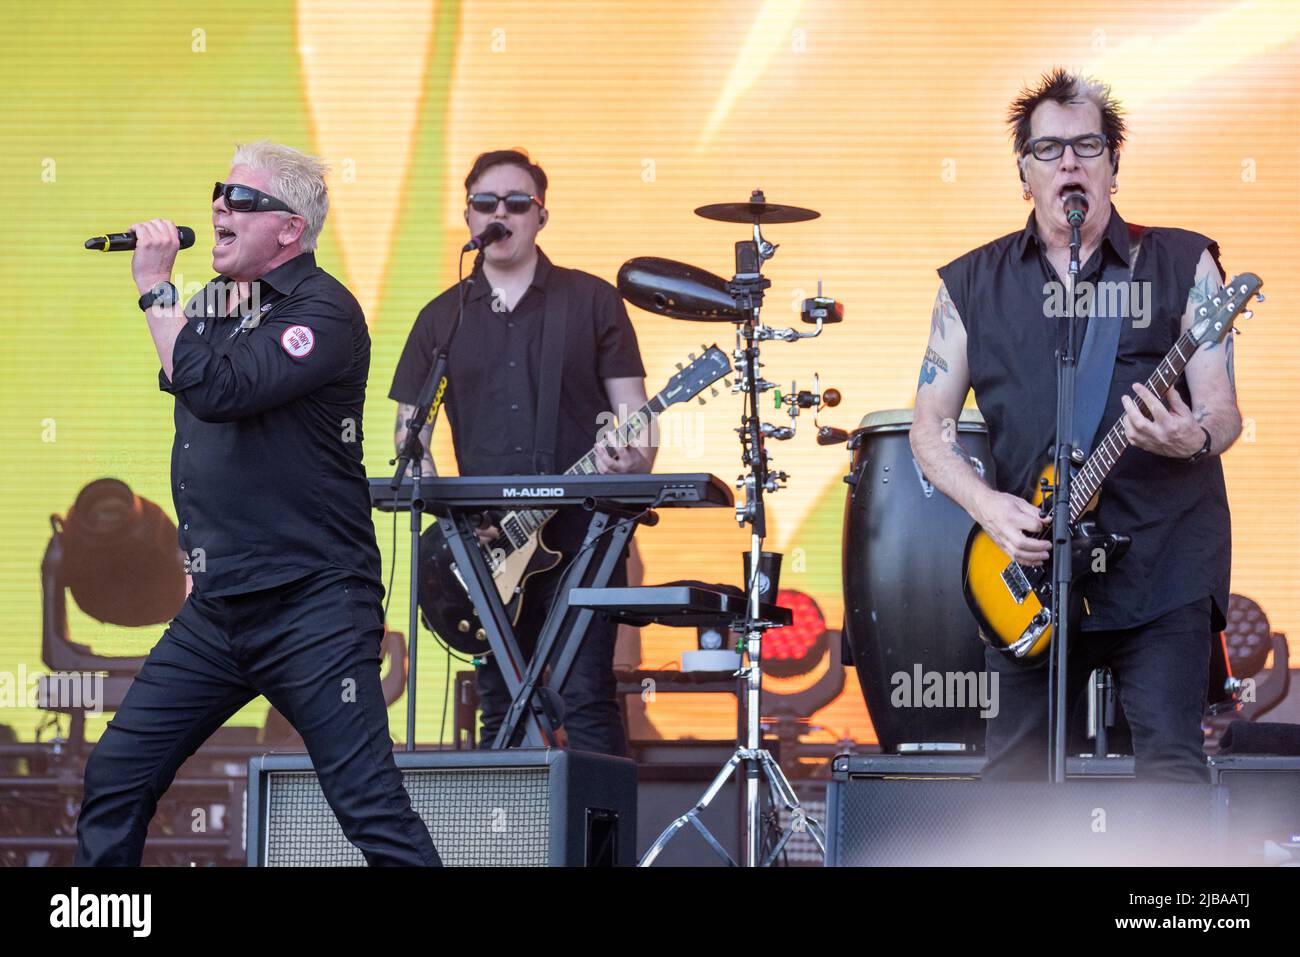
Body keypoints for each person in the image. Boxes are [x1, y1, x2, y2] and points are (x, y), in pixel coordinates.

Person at [76, 141, 440, 865]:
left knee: (367, 803)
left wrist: (156, 289)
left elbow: (216, 391)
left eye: (241, 198)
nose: (218, 206)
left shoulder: (326, 312)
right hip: (219, 607)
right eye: (218, 191)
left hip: (313, 606)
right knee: (116, 773)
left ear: (290, 230)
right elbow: (190, 382)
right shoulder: (217, 304)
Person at [909, 70, 1240, 782]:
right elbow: (929, 426)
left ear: (1114, 166)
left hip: (1162, 560)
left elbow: (1221, 410)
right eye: (1048, 148)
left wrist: (1193, 436)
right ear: (1023, 173)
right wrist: (988, 506)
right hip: (1032, 570)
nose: (1068, 161)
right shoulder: (972, 284)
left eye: (1088, 145)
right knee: (1015, 779)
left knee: (1170, 770)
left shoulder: (1184, 263)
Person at [390, 149, 652, 756]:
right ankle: (506, 843)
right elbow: (411, 438)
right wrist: (440, 509)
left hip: (585, 531)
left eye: (516, 203)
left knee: (585, 693)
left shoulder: (590, 302)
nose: (499, 213)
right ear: (469, 216)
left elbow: (638, 430)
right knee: (500, 696)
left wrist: (628, 460)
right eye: (486, 203)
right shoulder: (442, 318)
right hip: (487, 540)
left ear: (541, 217)